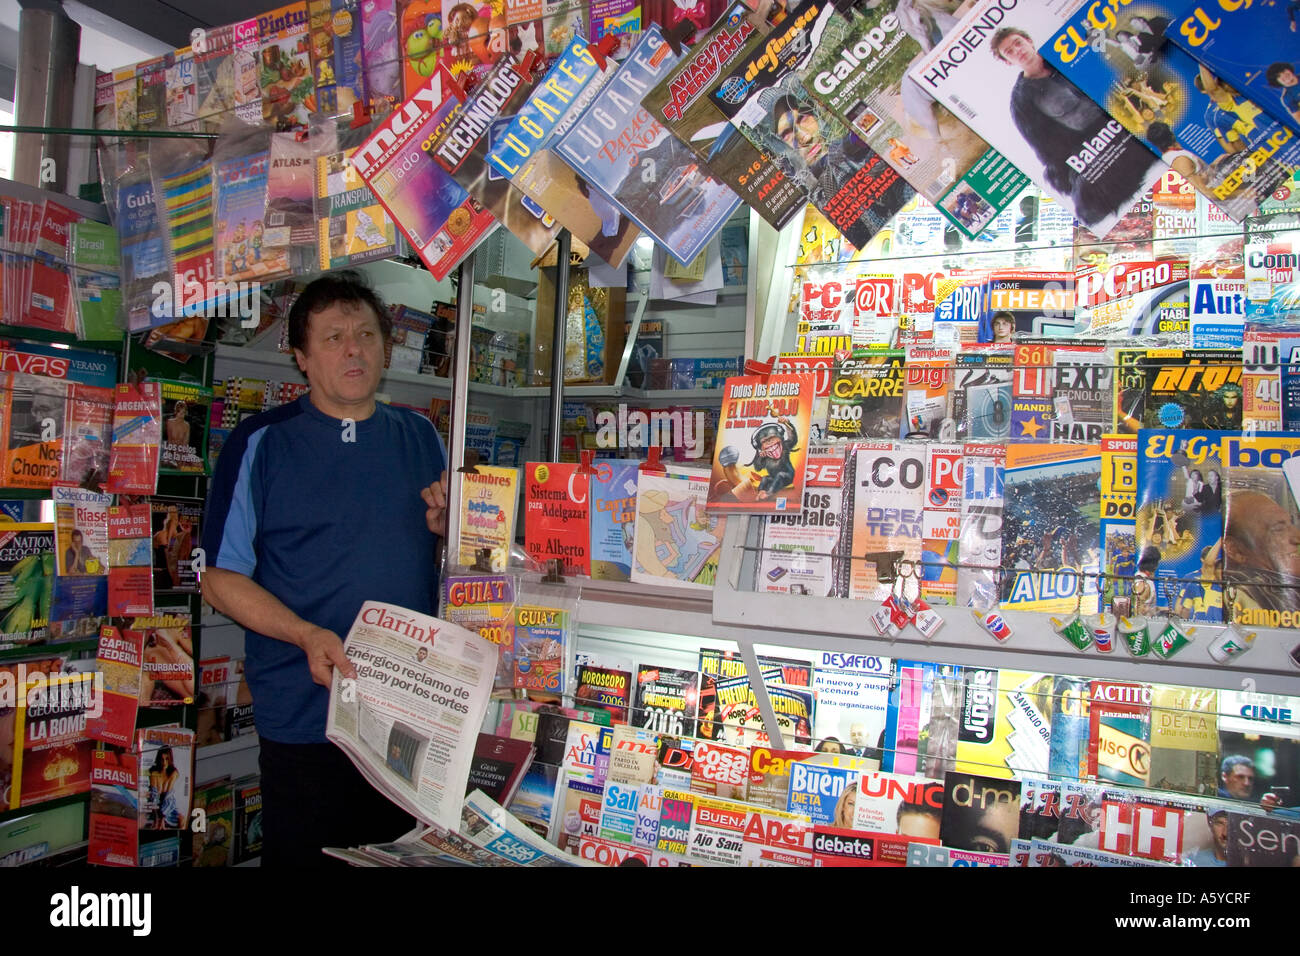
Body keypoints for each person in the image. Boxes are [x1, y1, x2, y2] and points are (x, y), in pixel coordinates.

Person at [201, 271, 449, 867]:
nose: (354, 349)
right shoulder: (260, 443)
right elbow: (218, 577)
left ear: (386, 348)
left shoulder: (422, 436)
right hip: (305, 714)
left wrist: (449, 537)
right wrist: (306, 634)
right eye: (333, 337)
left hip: (406, 715)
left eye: (366, 333)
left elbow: (452, 565)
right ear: (301, 357)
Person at [990, 26, 1160, 231]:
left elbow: (1112, 76)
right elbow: (1048, 155)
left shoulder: (1065, 53)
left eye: (1018, 43)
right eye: (1009, 51)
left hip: (1126, 120)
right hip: (1093, 149)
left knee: (1157, 130)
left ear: (1029, 40)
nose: (1017, 50)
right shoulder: (1021, 102)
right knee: (1089, 203)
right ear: (1008, 62)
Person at [1223, 490, 1300, 618]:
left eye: (1291, 523)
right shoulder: (1245, 595)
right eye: (1278, 529)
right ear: (1236, 550)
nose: (1297, 538)